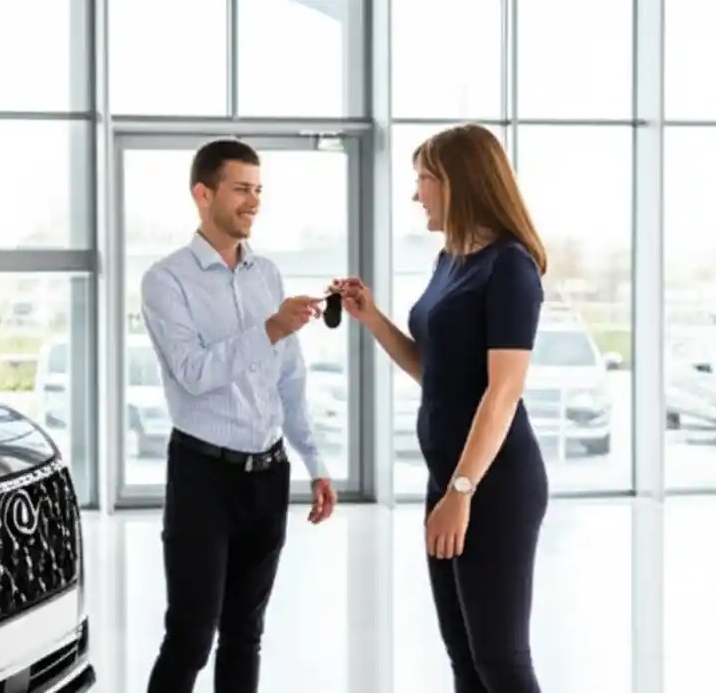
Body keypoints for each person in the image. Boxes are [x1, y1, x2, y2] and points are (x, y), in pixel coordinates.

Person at [334, 123, 547, 692]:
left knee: (501, 660)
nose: (416, 193)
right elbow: (438, 374)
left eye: (424, 179)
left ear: (459, 183)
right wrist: (373, 318)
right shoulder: (449, 259)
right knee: (465, 659)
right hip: (449, 479)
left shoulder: (511, 267)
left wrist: (461, 492)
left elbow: (502, 392)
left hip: (491, 485)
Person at [139, 138, 338, 693]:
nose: (253, 202)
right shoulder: (166, 280)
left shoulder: (267, 274)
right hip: (204, 477)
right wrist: (271, 328)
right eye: (241, 189)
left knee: (246, 633)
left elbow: (289, 378)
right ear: (203, 194)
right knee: (190, 635)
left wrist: (315, 460)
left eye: (258, 190)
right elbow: (194, 372)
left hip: (268, 476)